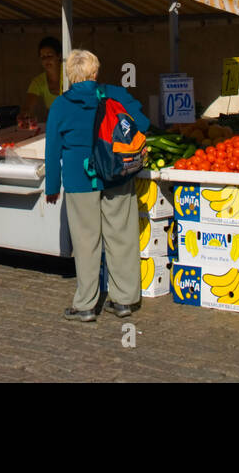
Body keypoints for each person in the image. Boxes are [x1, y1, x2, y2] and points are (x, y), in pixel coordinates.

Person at [45, 48, 151, 322]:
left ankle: (86, 305)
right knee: (121, 237)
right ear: (95, 72)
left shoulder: (61, 104)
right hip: (116, 175)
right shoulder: (115, 94)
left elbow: (52, 149)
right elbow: (143, 123)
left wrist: (52, 187)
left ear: (70, 75)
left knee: (86, 242)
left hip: (79, 179)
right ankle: (124, 300)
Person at [19, 36, 63, 126]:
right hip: (56, 125)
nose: (46, 60)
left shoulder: (70, 74)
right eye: (43, 57)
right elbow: (27, 107)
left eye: (50, 56)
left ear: (59, 56)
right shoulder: (38, 81)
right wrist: (25, 115)